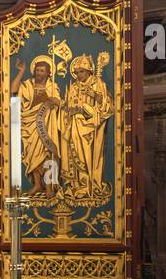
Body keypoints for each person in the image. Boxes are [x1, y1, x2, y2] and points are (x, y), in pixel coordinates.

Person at [62, 53, 114, 200]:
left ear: (89, 71)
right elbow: (69, 105)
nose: (78, 75)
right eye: (77, 72)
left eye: (82, 72)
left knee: (88, 155)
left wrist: (94, 97)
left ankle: (89, 184)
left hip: (91, 126)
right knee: (75, 154)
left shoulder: (98, 84)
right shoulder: (73, 86)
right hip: (75, 125)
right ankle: (78, 185)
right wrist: (68, 110)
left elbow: (106, 106)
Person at [14, 54, 62, 195]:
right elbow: (13, 91)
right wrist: (21, 72)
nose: (38, 73)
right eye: (37, 70)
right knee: (33, 154)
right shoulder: (27, 85)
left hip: (47, 125)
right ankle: (37, 184)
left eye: (42, 70)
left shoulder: (52, 86)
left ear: (48, 73)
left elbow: (59, 103)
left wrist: (53, 100)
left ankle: (48, 186)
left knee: (47, 154)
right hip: (30, 125)